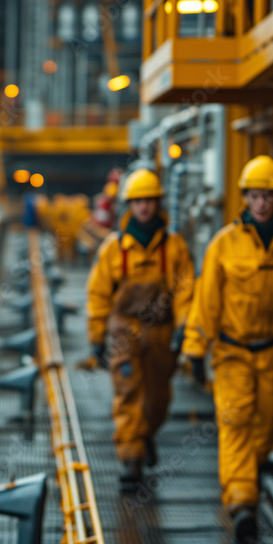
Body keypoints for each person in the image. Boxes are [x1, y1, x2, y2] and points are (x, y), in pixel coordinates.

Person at [183, 155, 273, 544]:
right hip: (232, 353)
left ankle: (251, 472)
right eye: (253, 195)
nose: (261, 203)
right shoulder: (224, 245)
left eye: (268, 195)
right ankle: (242, 502)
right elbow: (207, 301)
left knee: (268, 427)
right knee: (235, 424)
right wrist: (195, 348)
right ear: (244, 197)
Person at [86, 168, 195, 492]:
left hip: (163, 333)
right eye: (138, 201)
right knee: (128, 393)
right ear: (129, 205)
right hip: (126, 332)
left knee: (158, 397)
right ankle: (131, 458)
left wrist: (184, 328)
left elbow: (186, 290)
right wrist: (96, 338)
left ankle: (146, 434)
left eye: (149, 200)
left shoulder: (174, 247)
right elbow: (98, 294)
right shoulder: (114, 249)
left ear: (158, 203)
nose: (144, 207)